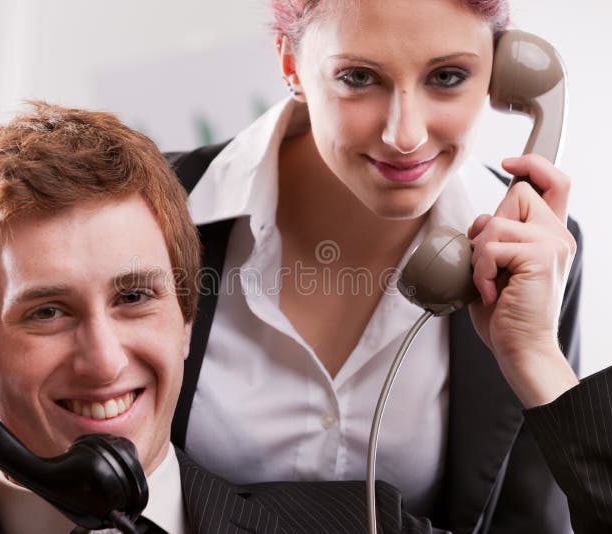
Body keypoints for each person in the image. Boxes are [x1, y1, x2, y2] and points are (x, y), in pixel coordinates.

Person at [0, 103, 612, 533]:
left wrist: (536, 356)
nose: (103, 357)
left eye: (135, 297)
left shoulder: (359, 525)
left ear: (189, 316)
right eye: (48, 311)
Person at [165, 0, 580, 532]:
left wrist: (536, 355)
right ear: (291, 63)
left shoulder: (535, 251)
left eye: (448, 76)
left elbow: (533, 521)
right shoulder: (151, 211)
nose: (404, 136)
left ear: (501, 72)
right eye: (358, 77)